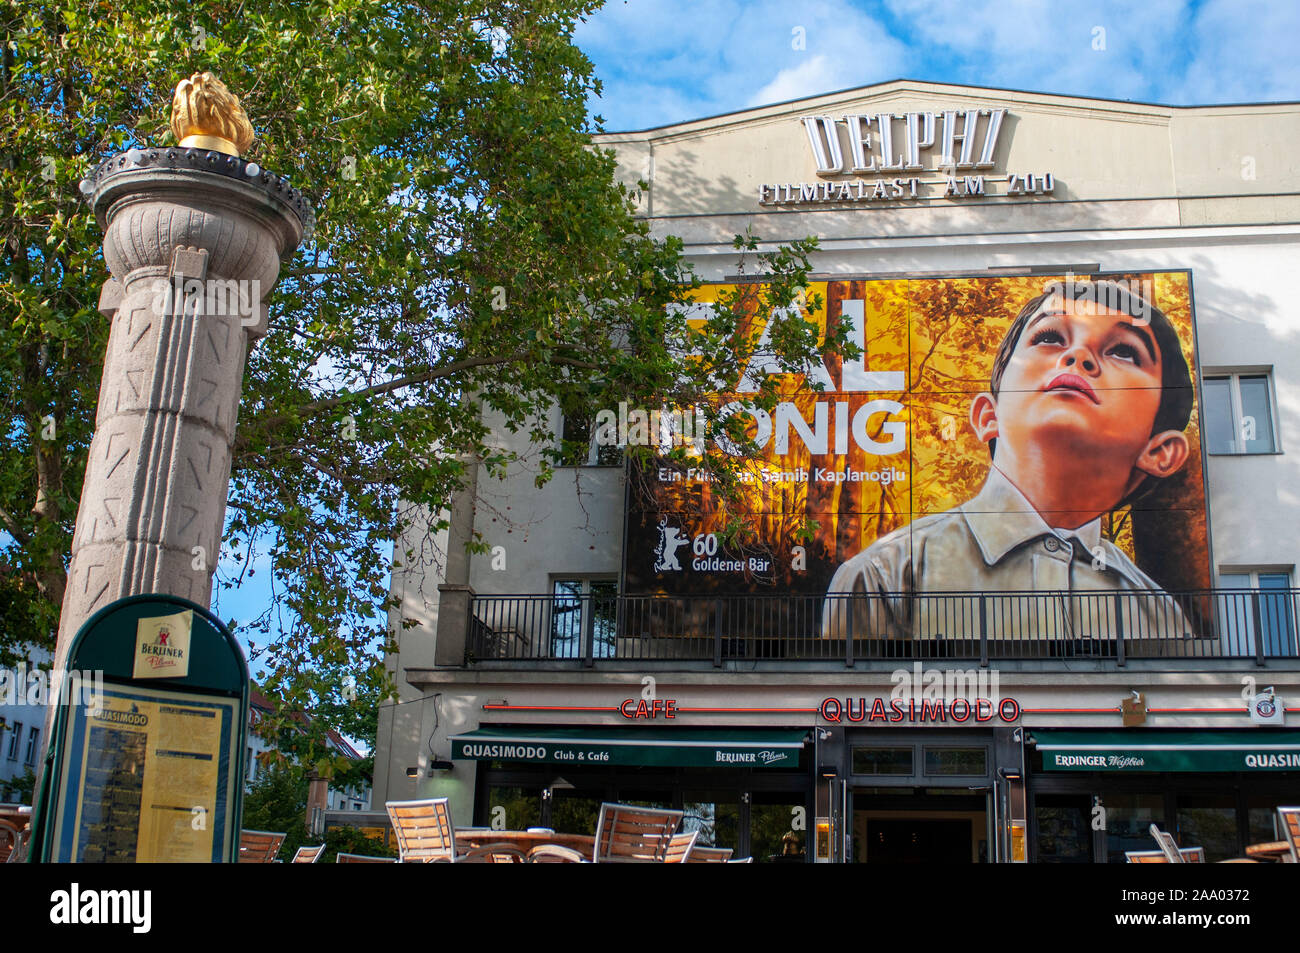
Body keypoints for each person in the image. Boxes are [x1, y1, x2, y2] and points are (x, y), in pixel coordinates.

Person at [822, 279, 1195, 645]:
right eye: (1050, 337)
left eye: (1124, 351)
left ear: (1160, 452)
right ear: (989, 415)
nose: (1079, 357)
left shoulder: (1158, 615)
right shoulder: (885, 578)